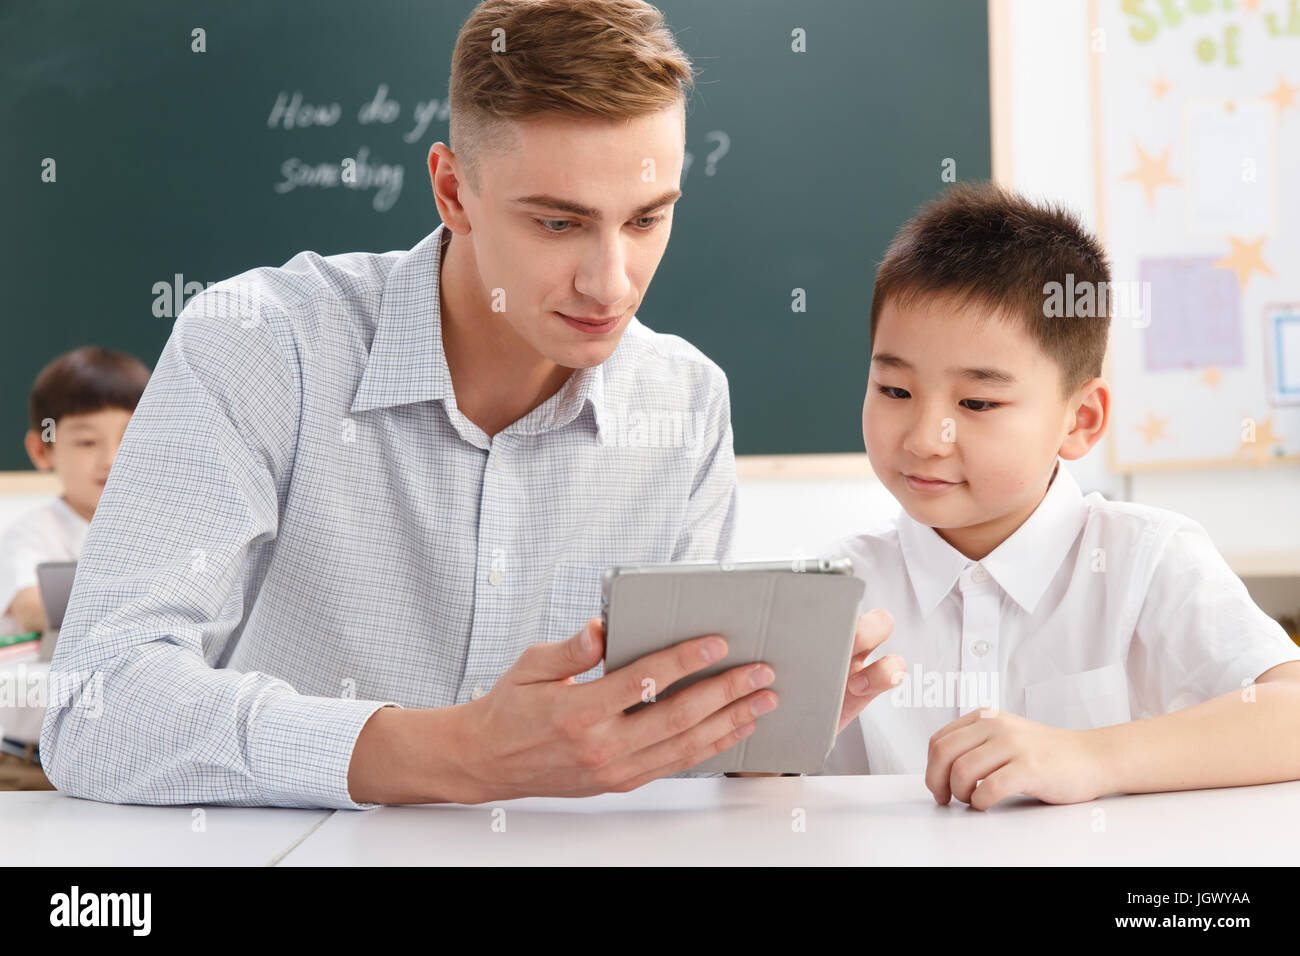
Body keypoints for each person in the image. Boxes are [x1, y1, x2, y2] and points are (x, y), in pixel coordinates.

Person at [41, 0, 896, 809]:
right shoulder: (261, 345)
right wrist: (453, 753)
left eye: (645, 220)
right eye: (559, 223)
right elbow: (93, 707)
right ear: (453, 192)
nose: (611, 283)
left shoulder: (686, 401)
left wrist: (754, 725)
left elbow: (649, 765)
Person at [824, 182, 1300, 809]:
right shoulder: (837, 588)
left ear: (1080, 420)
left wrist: (1092, 756)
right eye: (893, 390)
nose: (924, 439)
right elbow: (759, 806)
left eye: (976, 403)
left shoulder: (1146, 559)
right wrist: (770, 756)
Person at [0, 347, 149, 636]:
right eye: (87, 442)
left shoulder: (160, 526)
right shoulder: (34, 532)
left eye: (130, 437)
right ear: (42, 451)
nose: (111, 459)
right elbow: (32, 608)